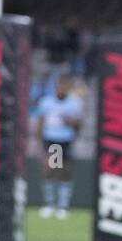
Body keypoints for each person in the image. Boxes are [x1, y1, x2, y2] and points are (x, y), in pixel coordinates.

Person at [33, 72, 84, 219]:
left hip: (66, 140)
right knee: (50, 170)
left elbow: (79, 124)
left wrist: (72, 123)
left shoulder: (74, 103)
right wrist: (38, 140)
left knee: (65, 172)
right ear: (56, 87)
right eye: (60, 86)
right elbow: (40, 122)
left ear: (68, 88)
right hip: (51, 139)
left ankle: (62, 206)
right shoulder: (47, 102)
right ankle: (49, 204)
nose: (62, 89)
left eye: (65, 86)